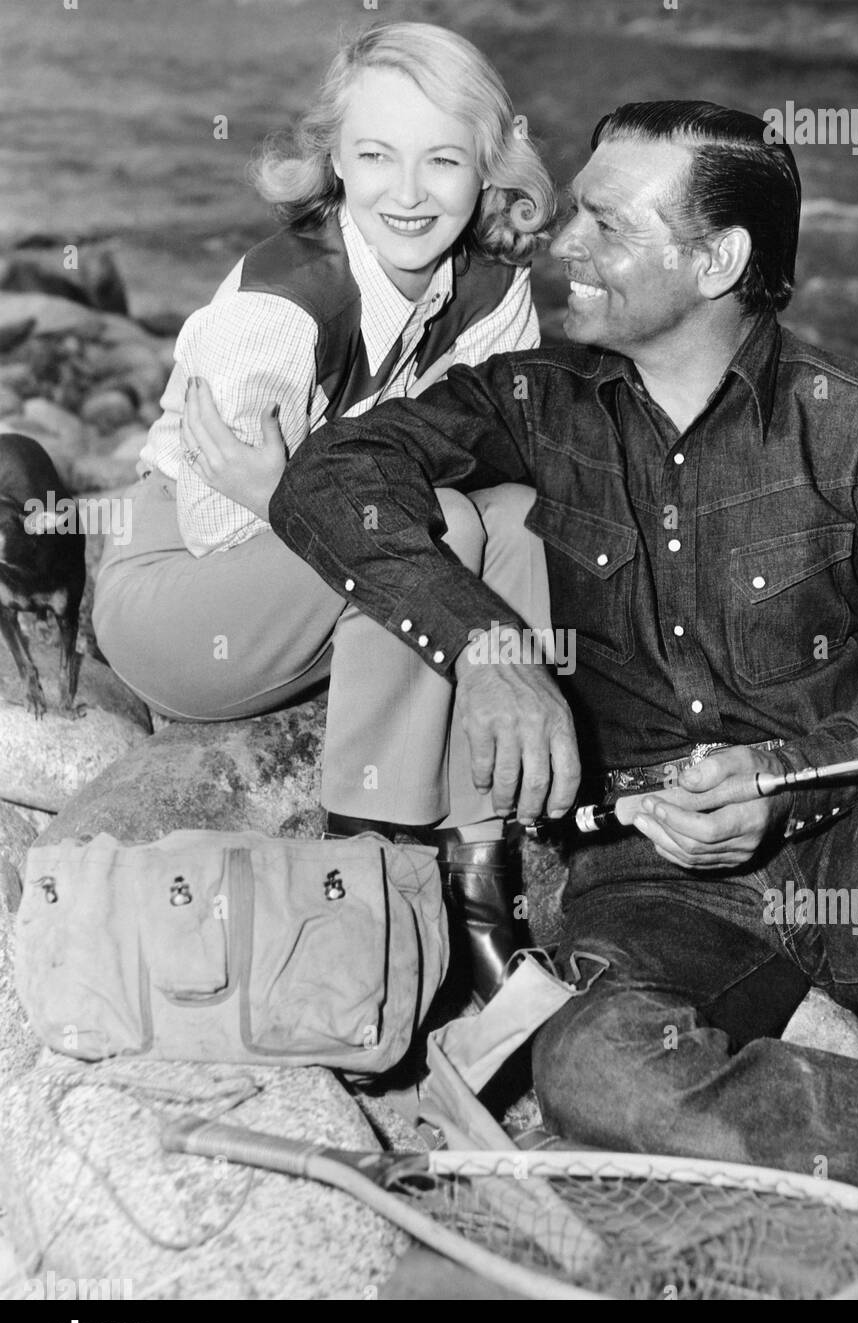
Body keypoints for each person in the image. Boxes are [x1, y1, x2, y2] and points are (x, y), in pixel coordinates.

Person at [182, 99, 858, 1236]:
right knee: (593, 1072)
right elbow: (333, 478)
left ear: (717, 259)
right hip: (658, 894)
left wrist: (785, 771)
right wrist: (488, 642)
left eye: (605, 224)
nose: (559, 243)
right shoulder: (533, 402)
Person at [92, 22, 558, 1002]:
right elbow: (225, 522)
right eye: (377, 156)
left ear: (487, 166)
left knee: (513, 517)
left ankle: (483, 880)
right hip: (182, 592)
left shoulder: (497, 291)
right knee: (435, 523)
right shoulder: (278, 308)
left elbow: (511, 459)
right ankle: (364, 872)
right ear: (334, 160)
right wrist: (355, 493)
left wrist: (327, 481)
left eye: (443, 160)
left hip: (310, 570)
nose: (408, 193)